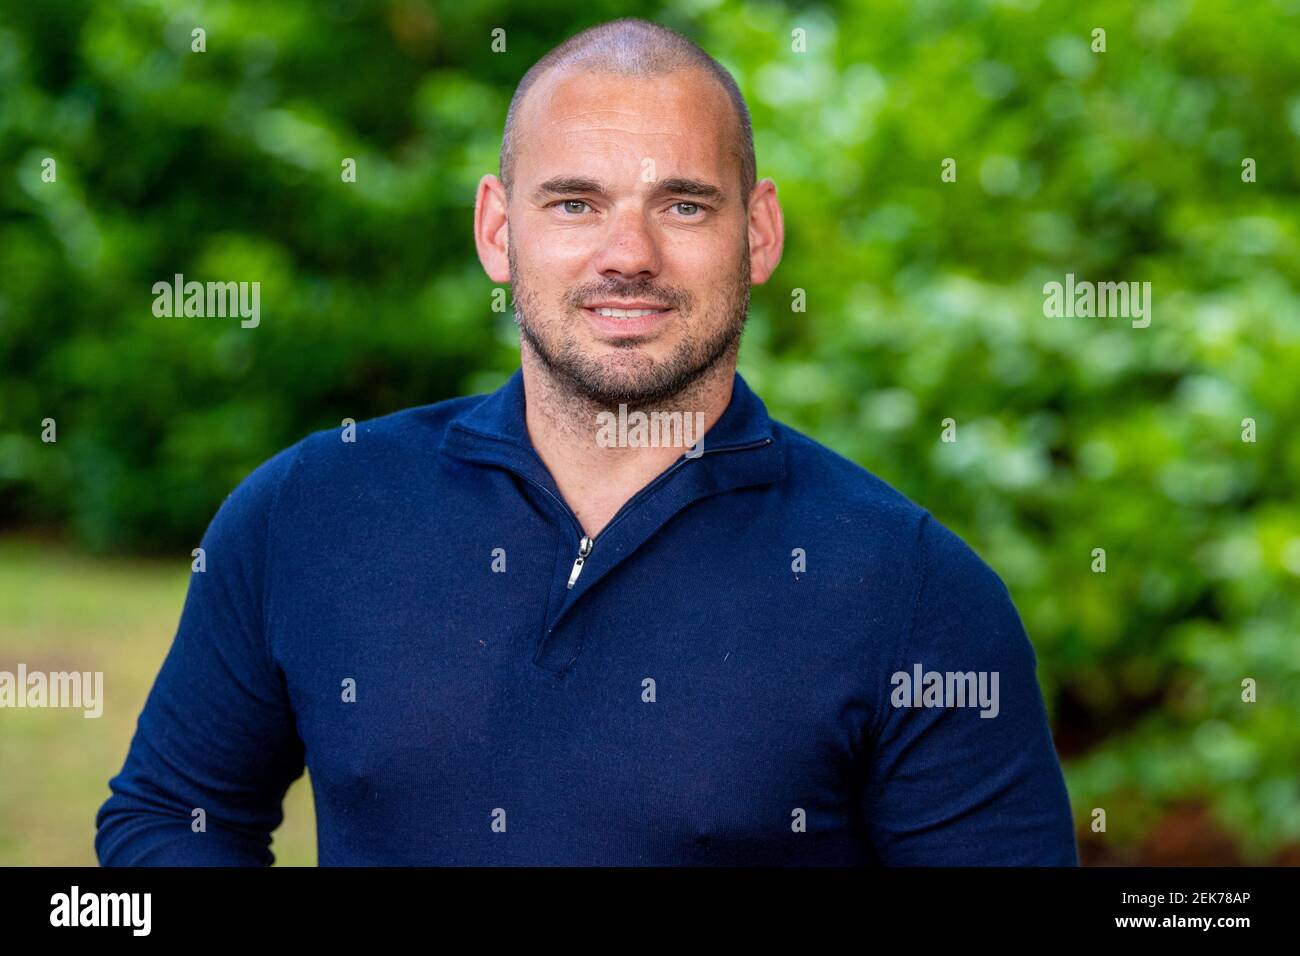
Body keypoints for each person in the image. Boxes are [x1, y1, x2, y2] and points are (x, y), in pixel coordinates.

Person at [96, 17, 1078, 866]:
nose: (628, 255)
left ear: (759, 233)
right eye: (575, 202)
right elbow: (169, 815)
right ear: (496, 229)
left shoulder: (913, 591)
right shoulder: (308, 508)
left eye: (682, 205)